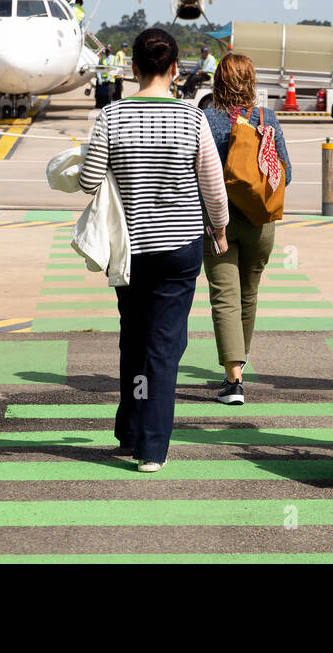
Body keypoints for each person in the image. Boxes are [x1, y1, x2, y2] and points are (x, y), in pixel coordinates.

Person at [79, 28, 230, 471]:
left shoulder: (111, 115)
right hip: (180, 247)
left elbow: (89, 181)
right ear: (174, 69)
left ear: (132, 69)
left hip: (131, 249)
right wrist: (218, 231)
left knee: (134, 337)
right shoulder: (192, 118)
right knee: (163, 346)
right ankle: (149, 448)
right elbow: (213, 188)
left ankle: (129, 430)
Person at [200, 53, 291, 404]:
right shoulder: (268, 118)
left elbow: (199, 176)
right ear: (251, 81)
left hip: (218, 221)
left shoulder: (206, 119)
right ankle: (238, 368)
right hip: (261, 221)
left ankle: (233, 379)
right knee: (248, 294)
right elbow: (286, 172)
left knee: (224, 297)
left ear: (218, 81)